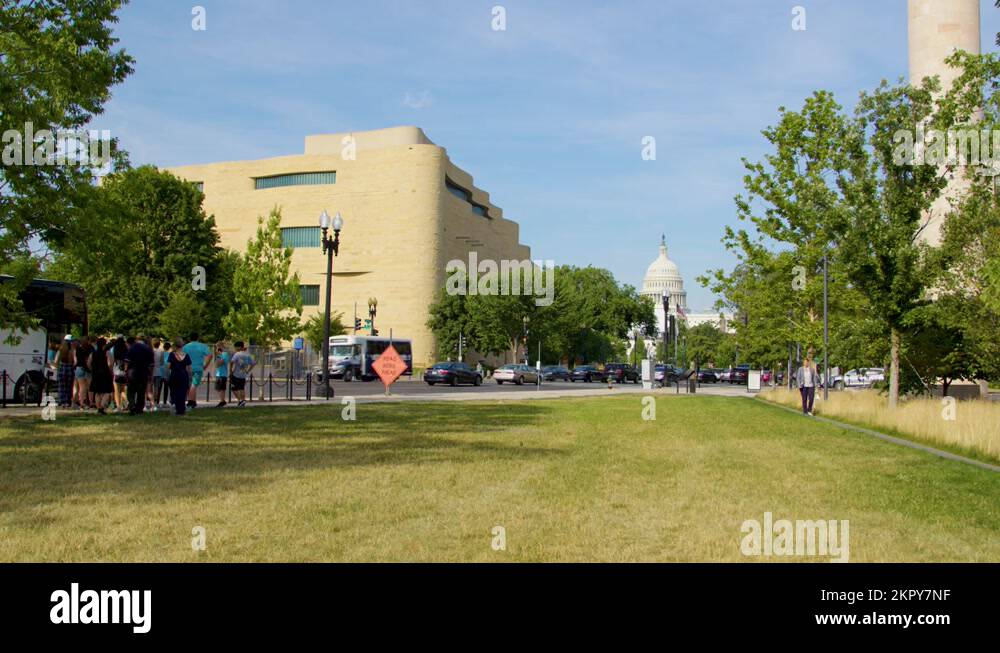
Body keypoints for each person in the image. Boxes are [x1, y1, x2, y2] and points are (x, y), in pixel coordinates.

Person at [125, 335, 155, 415]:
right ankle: (139, 409)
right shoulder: (148, 349)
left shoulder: (132, 348)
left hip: (132, 372)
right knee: (141, 392)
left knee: (131, 391)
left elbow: (127, 362)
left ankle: (132, 406)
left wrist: (126, 371)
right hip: (144, 372)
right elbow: (151, 365)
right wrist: (151, 375)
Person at [182, 333, 211, 410]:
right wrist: (206, 365)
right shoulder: (202, 346)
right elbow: (209, 355)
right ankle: (191, 402)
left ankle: (193, 401)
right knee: (194, 385)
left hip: (188, 368)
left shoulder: (185, 347)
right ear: (198, 337)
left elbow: (182, 357)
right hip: (198, 368)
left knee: (190, 385)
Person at [167, 338, 192, 416]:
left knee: (174, 392)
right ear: (182, 345)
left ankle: (174, 407)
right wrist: (190, 377)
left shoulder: (172, 354)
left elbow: (168, 366)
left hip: (174, 374)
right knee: (182, 392)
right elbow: (189, 368)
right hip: (183, 375)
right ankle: (181, 410)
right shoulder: (186, 355)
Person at [89, 337, 113, 414]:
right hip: (105, 373)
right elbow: (110, 363)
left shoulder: (93, 353)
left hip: (95, 374)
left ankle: (98, 407)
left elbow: (89, 363)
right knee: (107, 391)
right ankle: (102, 406)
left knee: (97, 392)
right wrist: (108, 370)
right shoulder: (107, 352)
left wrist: (92, 369)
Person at [229, 341, 255, 408]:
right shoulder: (248, 355)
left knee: (233, 388)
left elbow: (232, 362)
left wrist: (231, 371)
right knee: (241, 388)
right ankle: (242, 401)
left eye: (236, 347)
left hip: (236, 374)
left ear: (240, 347)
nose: (235, 348)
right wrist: (248, 371)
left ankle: (240, 400)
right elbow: (253, 363)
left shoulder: (237, 354)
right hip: (243, 375)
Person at [54, 335, 75, 407]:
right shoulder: (73, 350)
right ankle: (68, 401)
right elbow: (74, 360)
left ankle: (62, 401)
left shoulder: (61, 350)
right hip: (70, 367)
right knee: (69, 386)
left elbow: (56, 361)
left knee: (61, 385)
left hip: (62, 367)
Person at [73, 335, 93, 410]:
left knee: (81, 387)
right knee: (89, 387)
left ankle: (82, 403)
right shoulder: (90, 348)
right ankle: (91, 403)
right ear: (88, 340)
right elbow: (91, 359)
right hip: (88, 368)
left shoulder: (77, 349)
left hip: (79, 368)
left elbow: (76, 361)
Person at [110, 336, 129, 412]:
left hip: (116, 371)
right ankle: (127, 402)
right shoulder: (126, 349)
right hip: (124, 372)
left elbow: (112, 361)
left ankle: (118, 406)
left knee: (117, 390)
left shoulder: (114, 349)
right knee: (123, 390)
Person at [212, 341, 230, 408]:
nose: (217, 348)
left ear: (221, 347)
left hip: (222, 374)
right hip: (218, 374)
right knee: (218, 388)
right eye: (217, 347)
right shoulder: (219, 355)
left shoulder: (224, 354)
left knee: (221, 388)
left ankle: (222, 401)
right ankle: (222, 400)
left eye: (218, 347)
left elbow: (218, 364)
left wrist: (219, 355)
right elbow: (215, 364)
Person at [150, 338, 164, 412]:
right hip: (158, 371)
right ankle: (155, 401)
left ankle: (150, 401)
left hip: (151, 371)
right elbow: (162, 362)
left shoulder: (151, 351)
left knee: (150, 388)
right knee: (157, 388)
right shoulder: (161, 352)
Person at [158, 341, 172, 407]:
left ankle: (157, 401)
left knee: (159, 388)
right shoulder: (170, 354)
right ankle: (164, 402)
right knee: (166, 388)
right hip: (167, 372)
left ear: (163, 347)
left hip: (160, 372)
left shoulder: (161, 353)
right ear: (169, 348)